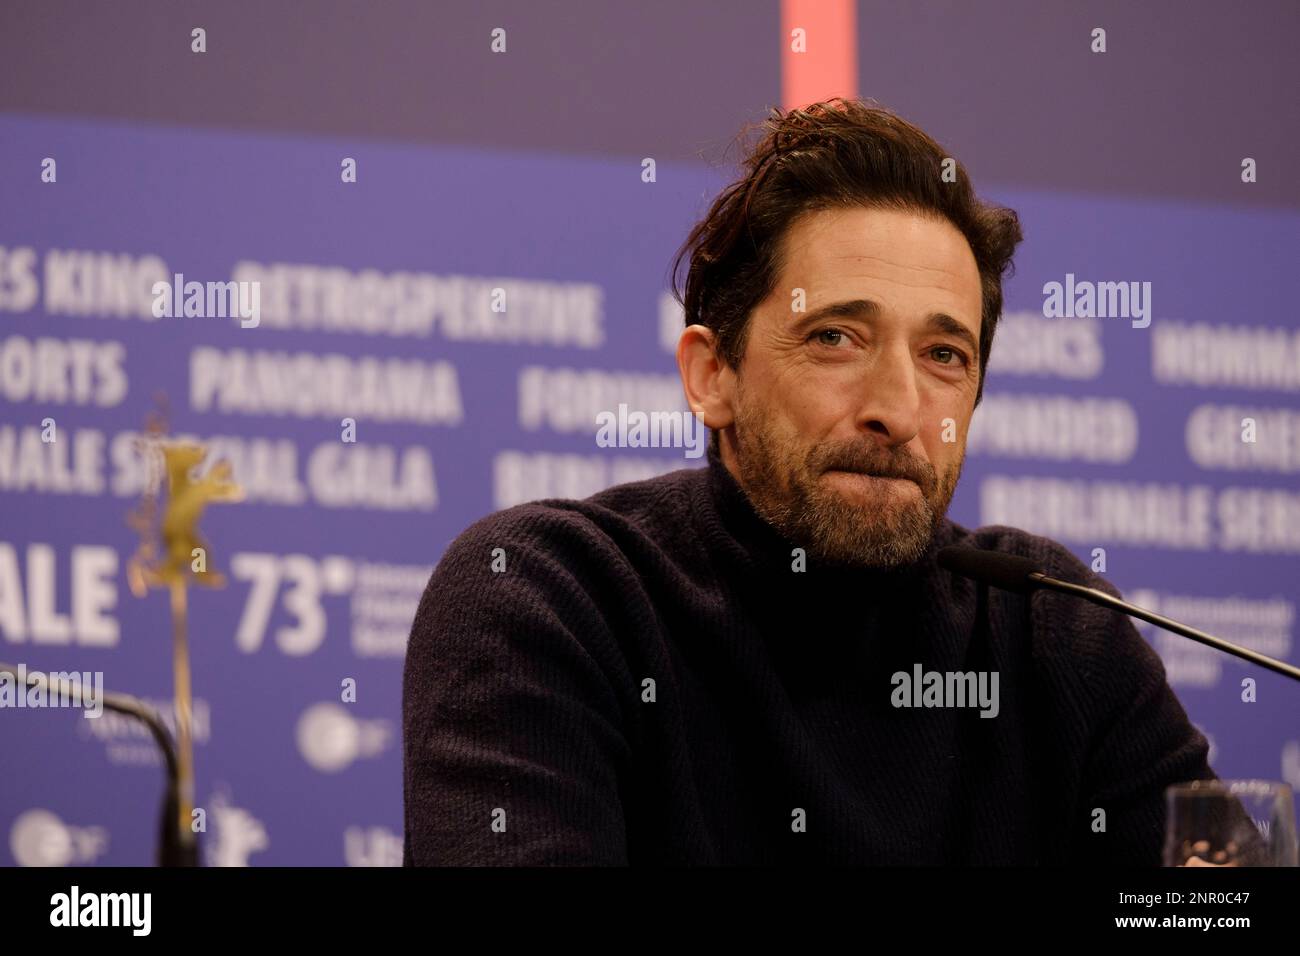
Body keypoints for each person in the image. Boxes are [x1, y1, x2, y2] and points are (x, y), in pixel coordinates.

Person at [401, 99, 1216, 865]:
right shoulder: (555, 600)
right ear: (712, 373)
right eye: (835, 337)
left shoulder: (1057, 630)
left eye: (944, 356)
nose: (898, 410)